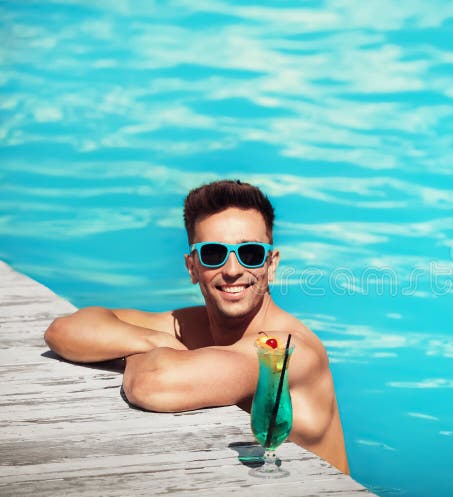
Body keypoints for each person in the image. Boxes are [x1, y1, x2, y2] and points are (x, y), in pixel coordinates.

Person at [43, 179, 349, 474]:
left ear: (271, 265)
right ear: (192, 266)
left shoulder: (284, 350)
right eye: (214, 254)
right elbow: (66, 329)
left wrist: (141, 348)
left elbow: (153, 381)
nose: (232, 270)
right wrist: (152, 342)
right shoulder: (189, 325)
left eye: (250, 253)